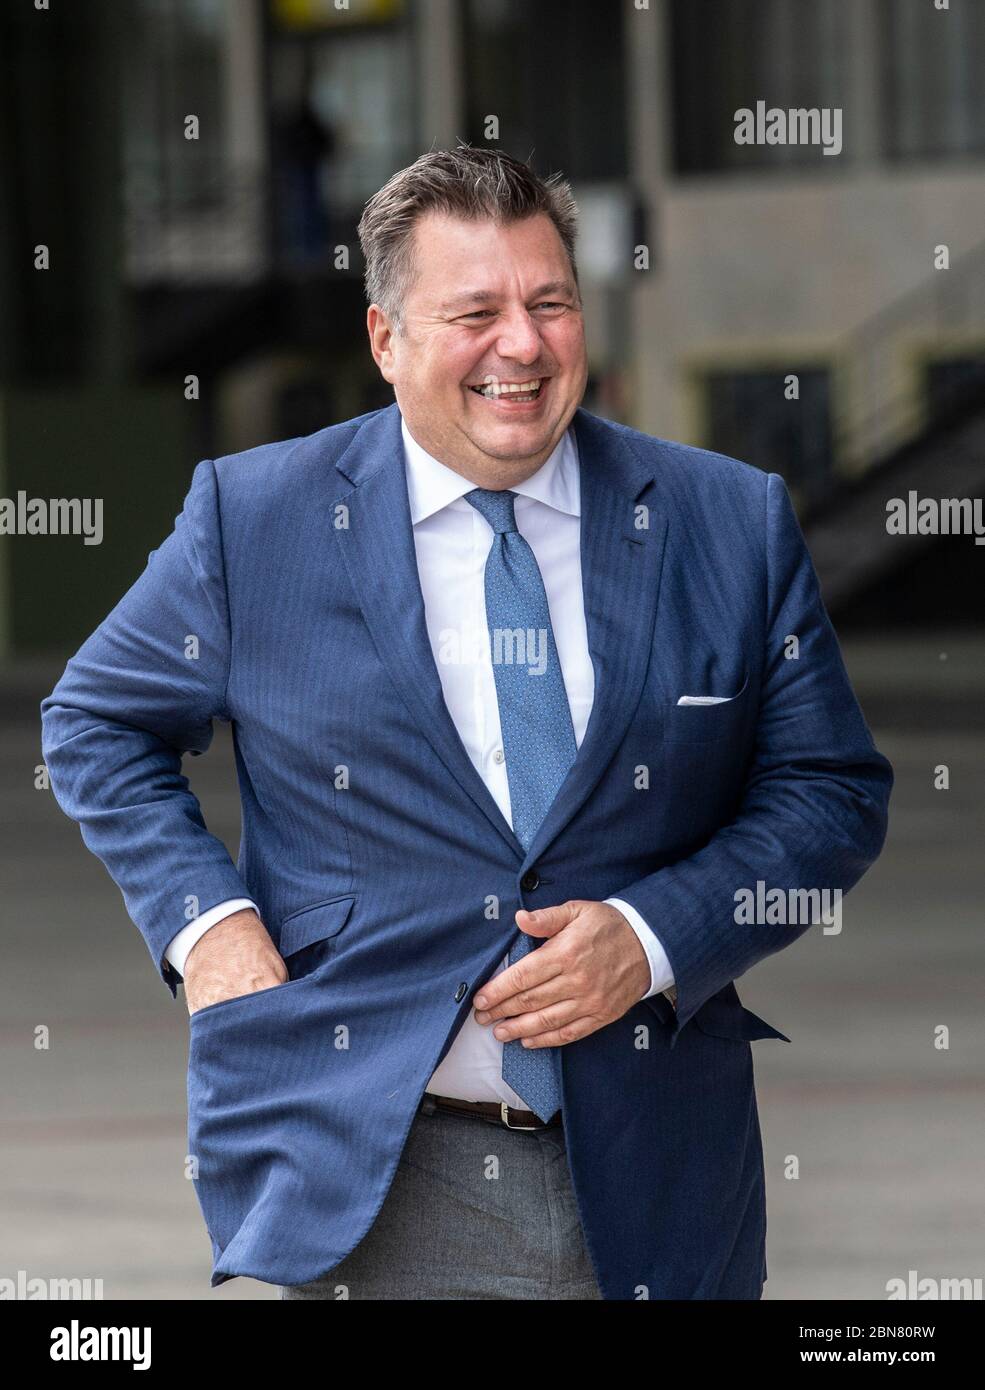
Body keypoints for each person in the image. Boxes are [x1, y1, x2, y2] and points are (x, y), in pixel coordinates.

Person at [40, 143, 893, 1300]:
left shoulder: (726, 520)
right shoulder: (256, 521)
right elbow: (94, 722)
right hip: (377, 1173)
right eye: (476, 311)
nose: (524, 345)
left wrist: (650, 939)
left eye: (550, 303)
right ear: (386, 340)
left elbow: (829, 792)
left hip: (655, 1177)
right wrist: (212, 930)